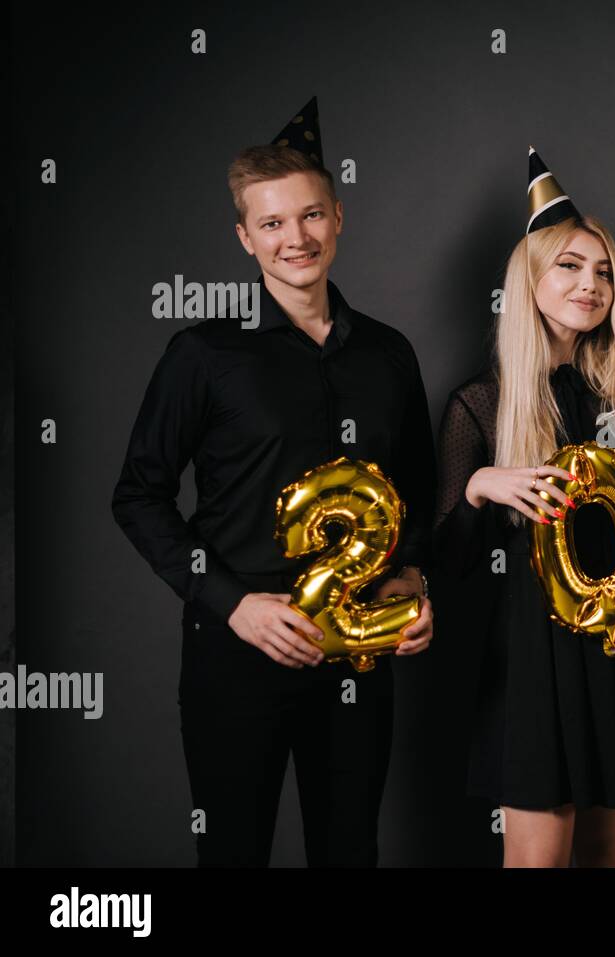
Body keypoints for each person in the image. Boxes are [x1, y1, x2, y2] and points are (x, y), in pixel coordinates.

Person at [111, 97, 435, 866]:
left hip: (358, 654)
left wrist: (412, 578)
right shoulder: (201, 353)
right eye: (273, 223)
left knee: (350, 850)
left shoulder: (389, 354)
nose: (296, 238)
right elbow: (138, 494)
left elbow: (420, 491)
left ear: (338, 217)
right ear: (245, 236)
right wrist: (233, 604)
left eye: (311, 215)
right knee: (232, 853)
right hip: (238, 652)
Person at [432, 148, 615, 867]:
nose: (591, 284)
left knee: (607, 862)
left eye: (604, 271)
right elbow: (446, 560)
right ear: (529, 278)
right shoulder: (481, 404)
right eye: (571, 266)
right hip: (533, 666)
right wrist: (478, 487)